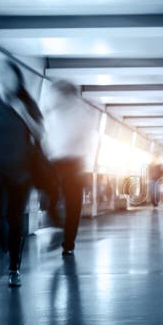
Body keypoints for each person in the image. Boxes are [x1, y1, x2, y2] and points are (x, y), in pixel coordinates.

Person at [0, 59, 44, 288]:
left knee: (14, 218)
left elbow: (40, 134)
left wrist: (23, 113)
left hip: (20, 172)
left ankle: (14, 268)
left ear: (16, 78)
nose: (3, 79)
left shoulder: (27, 103)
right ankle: (4, 250)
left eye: (7, 75)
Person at [42, 80, 98, 256]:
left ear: (66, 94)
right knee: (56, 201)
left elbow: (78, 137)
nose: (55, 97)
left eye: (57, 94)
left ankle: (68, 243)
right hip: (59, 163)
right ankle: (62, 231)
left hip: (73, 164)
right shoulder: (54, 112)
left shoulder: (81, 112)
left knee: (73, 205)